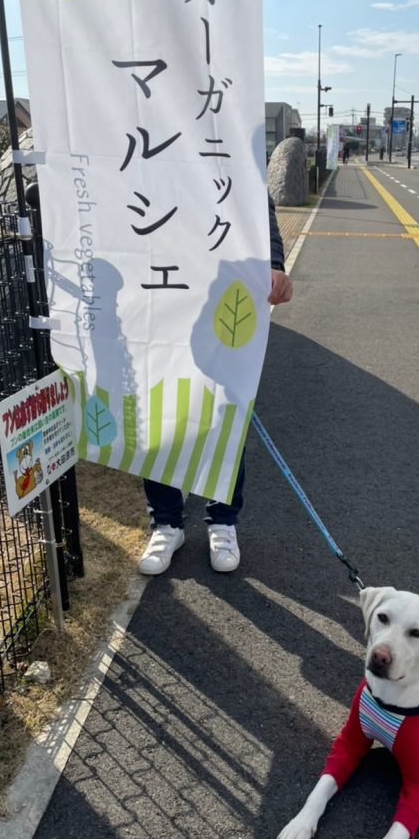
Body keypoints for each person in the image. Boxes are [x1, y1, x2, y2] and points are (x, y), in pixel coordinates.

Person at [138, 193, 293, 576]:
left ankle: (223, 523)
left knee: (226, 413)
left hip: (223, 286)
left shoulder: (225, 137)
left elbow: (256, 201)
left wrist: (274, 263)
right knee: (160, 413)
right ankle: (167, 524)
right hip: (158, 289)